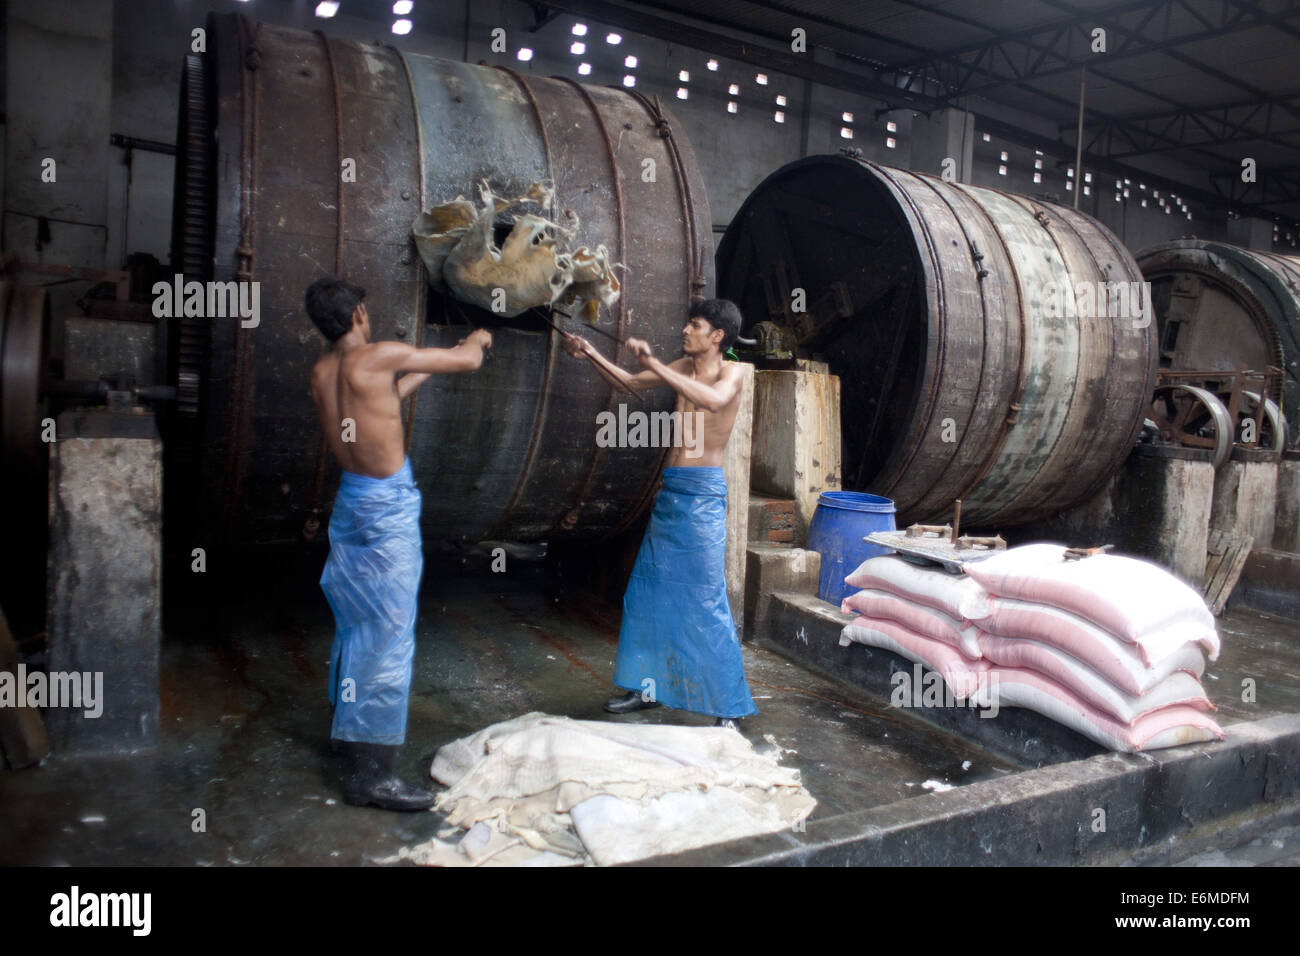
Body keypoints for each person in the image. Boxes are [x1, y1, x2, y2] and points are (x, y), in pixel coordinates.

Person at [305, 276, 492, 810]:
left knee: (355, 622)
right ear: (359, 314)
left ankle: (348, 738)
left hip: (352, 503)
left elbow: (367, 410)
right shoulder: (381, 354)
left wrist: (418, 375)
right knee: (387, 635)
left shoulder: (323, 373)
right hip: (386, 511)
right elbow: (469, 362)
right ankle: (372, 776)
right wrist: (476, 340)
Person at [562, 299, 756, 729]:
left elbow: (709, 400)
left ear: (717, 336)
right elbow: (631, 381)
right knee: (646, 596)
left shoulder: (732, 373)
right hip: (671, 495)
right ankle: (646, 689)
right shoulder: (682, 367)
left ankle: (729, 706)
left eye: (695, 324)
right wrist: (590, 353)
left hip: (703, 497)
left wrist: (657, 362)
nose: (686, 330)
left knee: (705, 601)